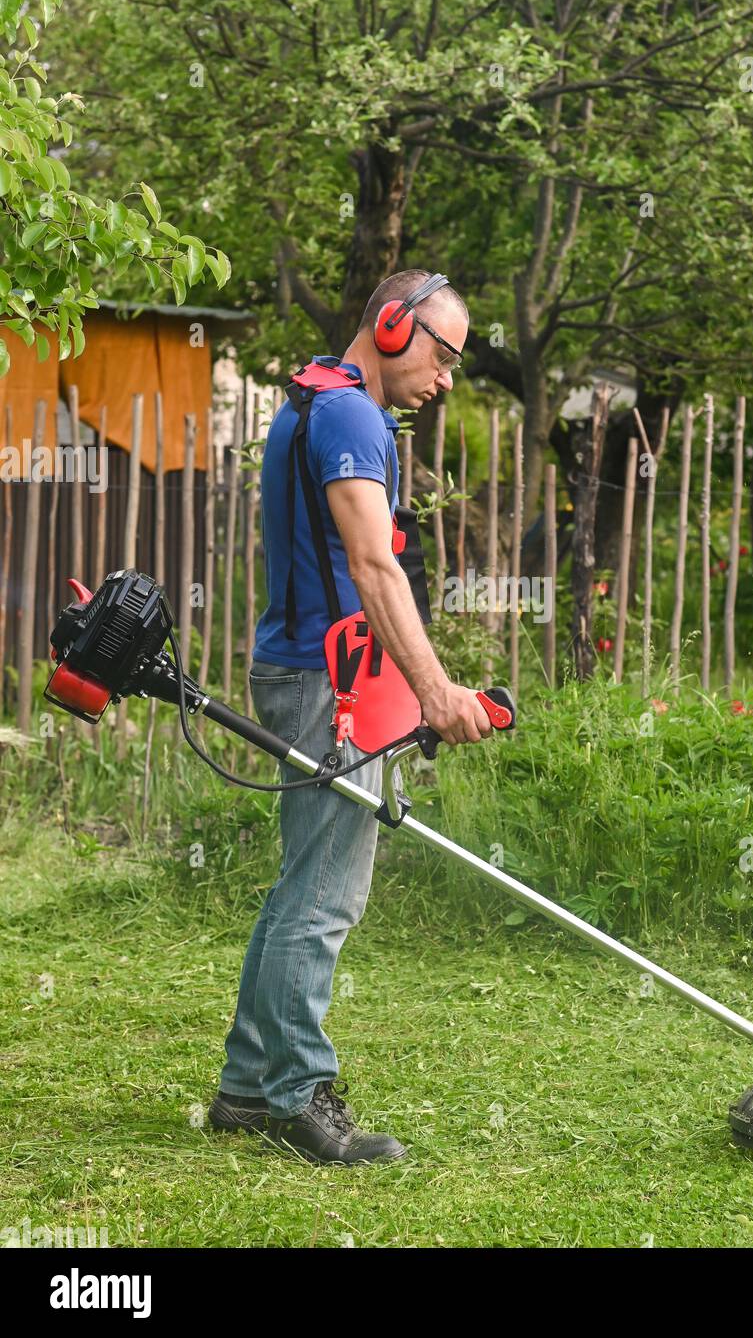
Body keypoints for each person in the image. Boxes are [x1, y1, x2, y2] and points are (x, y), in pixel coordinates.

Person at [209, 270, 493, 1165]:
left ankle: (248, 1090)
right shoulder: (348, 418)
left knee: (304, 884)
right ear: (392, 327)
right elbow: (376, 569)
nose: (447, 378)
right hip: (321, 686)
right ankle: (297, 1097)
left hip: (315, 674)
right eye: (441, 354)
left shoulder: (320, 401)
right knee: (327, 895)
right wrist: (441, 694)